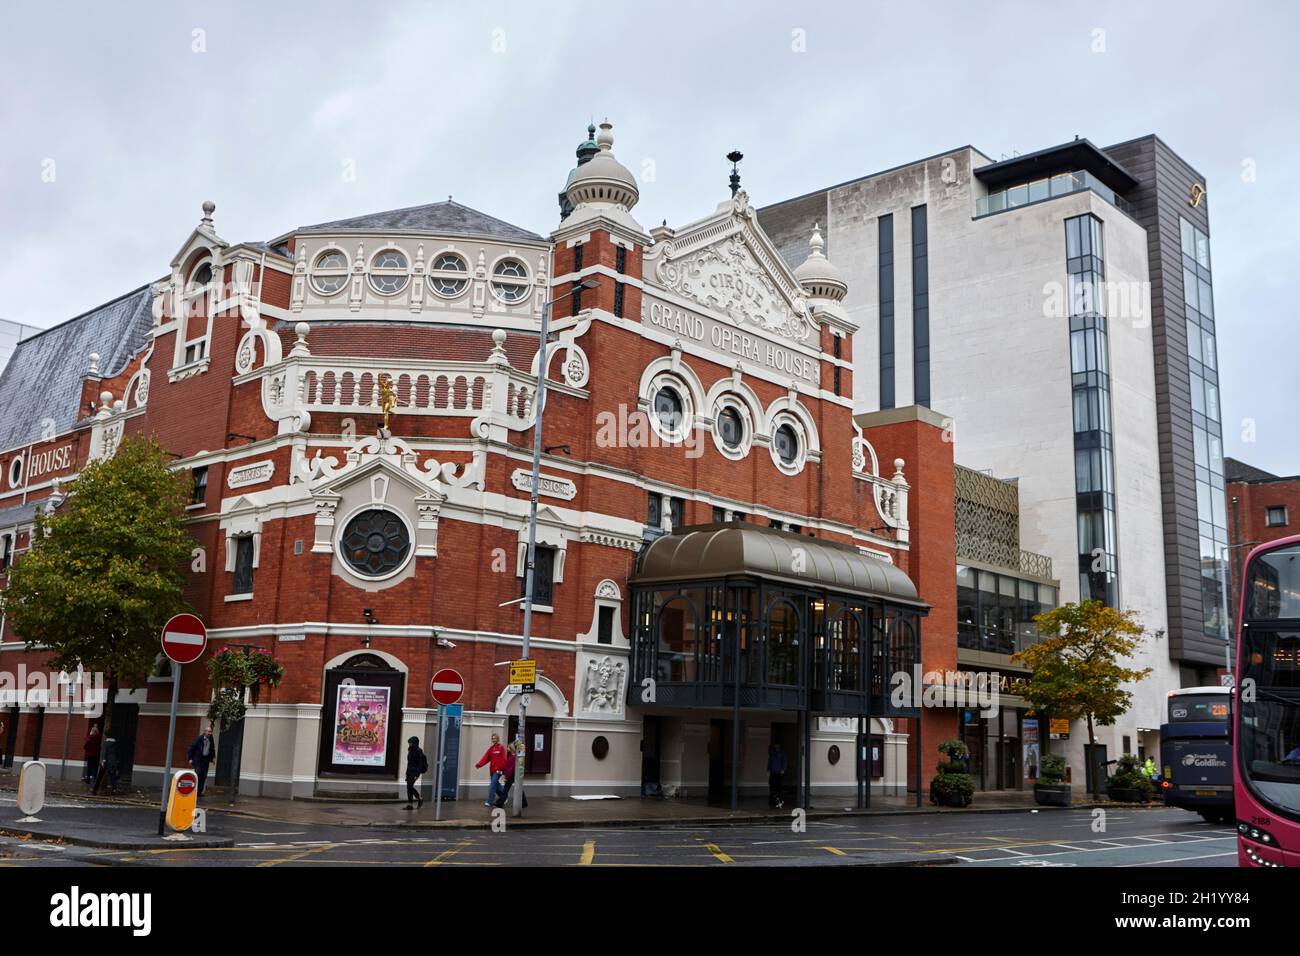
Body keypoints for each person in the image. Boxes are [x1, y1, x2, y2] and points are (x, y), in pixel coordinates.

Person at [475, 733, 509, 807]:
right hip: (492, 770)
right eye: (493, 738)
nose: (494, 740)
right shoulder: (491, 749)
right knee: (496, 785)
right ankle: (504, 797)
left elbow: (504, 759)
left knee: (492, 785)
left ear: (498, 739)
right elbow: (486, 758)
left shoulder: (501, 748)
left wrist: (503, 769)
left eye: (495, 738)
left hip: (498, 770)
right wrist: (479, 764)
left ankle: (489, 801)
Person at [494, 741, 527, 810]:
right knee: (519, 789)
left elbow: (510, 769)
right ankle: (524, 803)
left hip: (511, 776)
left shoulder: (512, 758)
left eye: (508, 747)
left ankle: (499, 803)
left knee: (505, 790)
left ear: (511, 749)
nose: (507, 748)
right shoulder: (514, 756)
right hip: (514, 775)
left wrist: (506, 777)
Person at [187, 723, 216, 797]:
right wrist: (190, 758)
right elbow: (191, 748)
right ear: (205, 732)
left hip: (205, 759)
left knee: (204, 776)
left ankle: (199, 792)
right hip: (198, 759)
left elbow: (212, 749)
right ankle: (195, 791)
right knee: (198, 774)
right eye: (208, 732)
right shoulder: (199, 739)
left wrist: (212, 758)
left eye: (210, 732)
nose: (210, 733)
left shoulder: (211, 739)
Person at [404, 736, 428, 810]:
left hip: (414, 772)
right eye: (409, 743)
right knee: (408, 788)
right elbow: (409, 762)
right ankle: (410, 804)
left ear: (415, 743)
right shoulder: (410, 751)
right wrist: (406, 772)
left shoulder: (419, 751)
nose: (410, 744)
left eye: (411, 743)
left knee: (409, 786)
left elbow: (420, 764)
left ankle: (419, 798)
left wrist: (417, 774)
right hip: (409, 771)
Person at [767, 742, 788, 809]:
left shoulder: (782, 753)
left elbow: (784, 761)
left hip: (779, 772)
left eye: (777, 744)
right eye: (775, 744)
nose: (776, 745)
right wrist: (768, 769)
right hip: (773, 772)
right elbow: (770, 761)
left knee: (778, 786)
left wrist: (783, 769)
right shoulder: (772, 753)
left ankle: (779, 800)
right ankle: (773, 799)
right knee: (772, 785)